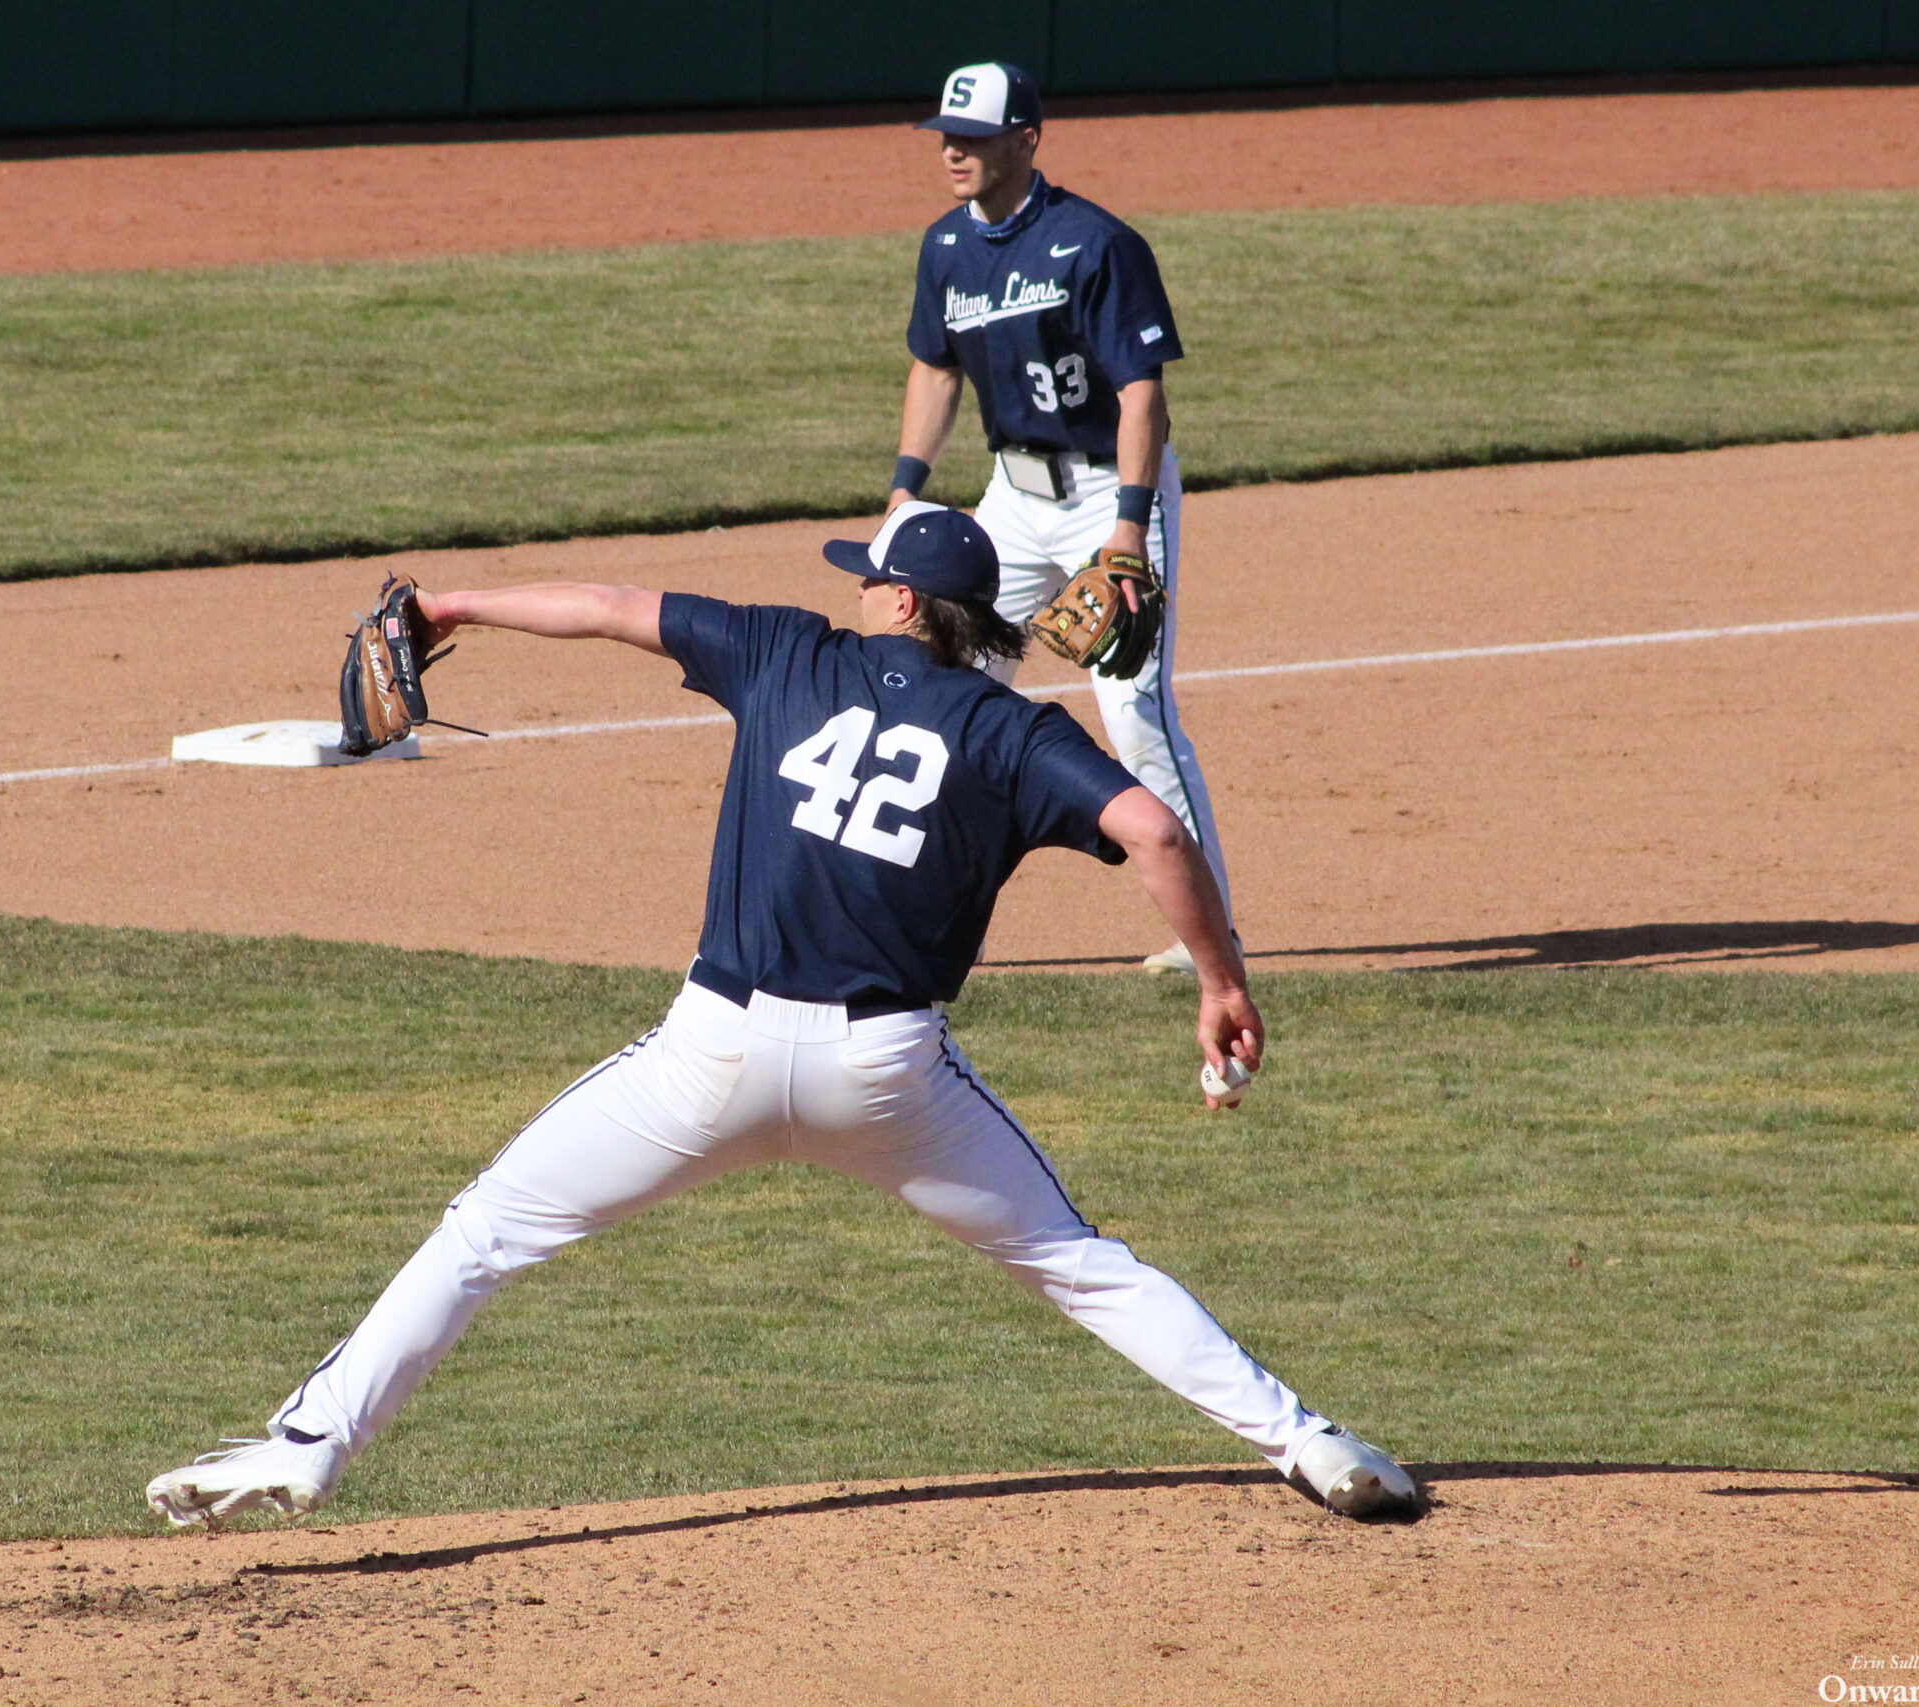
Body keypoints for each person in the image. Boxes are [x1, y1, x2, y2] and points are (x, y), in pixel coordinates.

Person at [145, 503, 1418, 1527]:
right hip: (888, 1083)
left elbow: (599, 609)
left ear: (905, 604)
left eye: (871, 574)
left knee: (485, 1233)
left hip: (712, 1060)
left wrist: (450, 602)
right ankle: (1307, 1443)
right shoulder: (1011, 733)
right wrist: (1220, 980)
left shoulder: (783, 651)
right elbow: (1151, 826)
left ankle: (309, 1449)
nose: (857, 584)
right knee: (1078, 1264)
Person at [888, 60, 1227, 976]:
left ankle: (1211, 931)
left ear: (1026, 139)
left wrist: (1127, 527)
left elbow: (1141, 394)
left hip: (1104, 496)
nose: (953, 151)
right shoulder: (946, 248)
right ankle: (946, 916)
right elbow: (936, 366)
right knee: (945, 692)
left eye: (974, 136)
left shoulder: (1096, 244)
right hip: (1010, 499)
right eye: (946, 135)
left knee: (1134, 714)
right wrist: (905, 485)